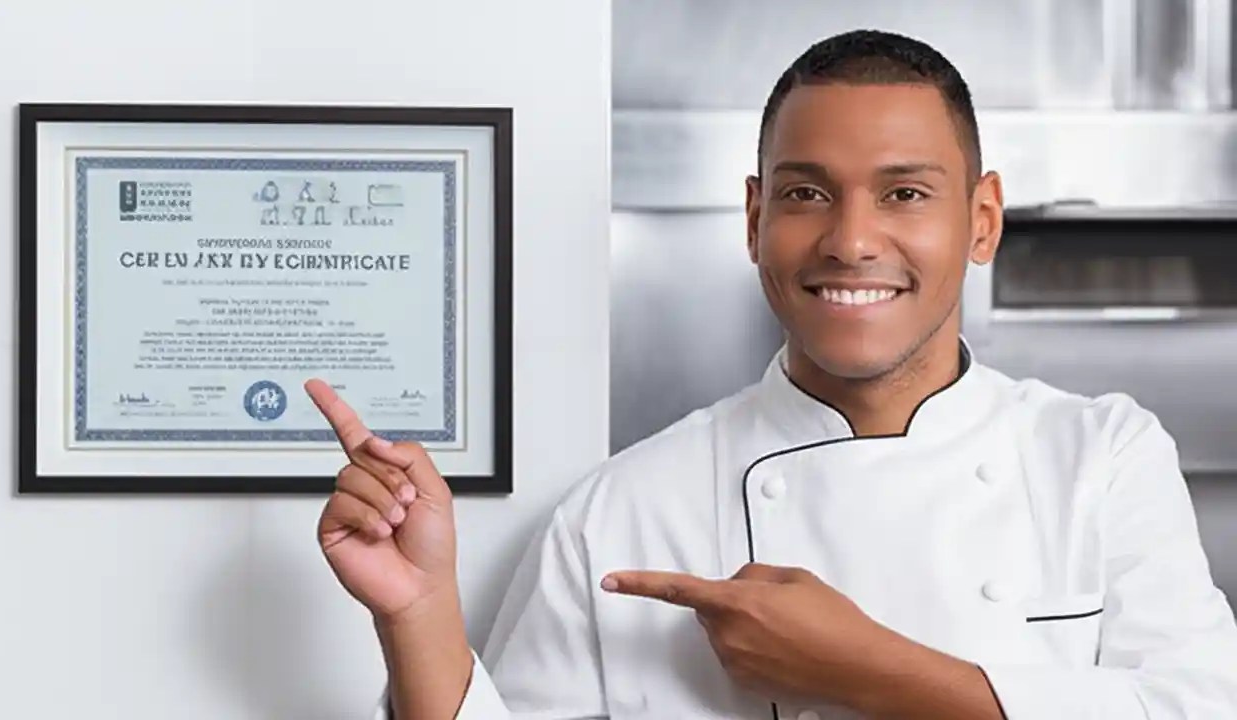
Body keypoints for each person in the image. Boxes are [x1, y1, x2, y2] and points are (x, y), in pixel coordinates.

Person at [306, 29, 1237, 720]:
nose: (851, 239)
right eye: (805, 194)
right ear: (755, 219)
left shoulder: (1099, 459)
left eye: (905, 193)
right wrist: (421, 614)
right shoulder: (624, 511)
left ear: (982, 220)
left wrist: (866, 667)